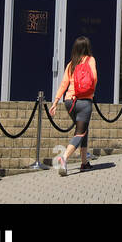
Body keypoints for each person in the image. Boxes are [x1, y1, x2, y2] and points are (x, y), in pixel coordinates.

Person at [49, 36, 97, 175]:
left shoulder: (71, 64)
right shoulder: (90, 60)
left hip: (69, 102)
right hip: (84, 101)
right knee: (80, 132)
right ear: (87, 48)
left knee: (83, 129)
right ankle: (63, 158)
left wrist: (55, 102)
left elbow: (64, 83)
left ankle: (84, 163)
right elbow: (94, 78)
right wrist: (90, 91)